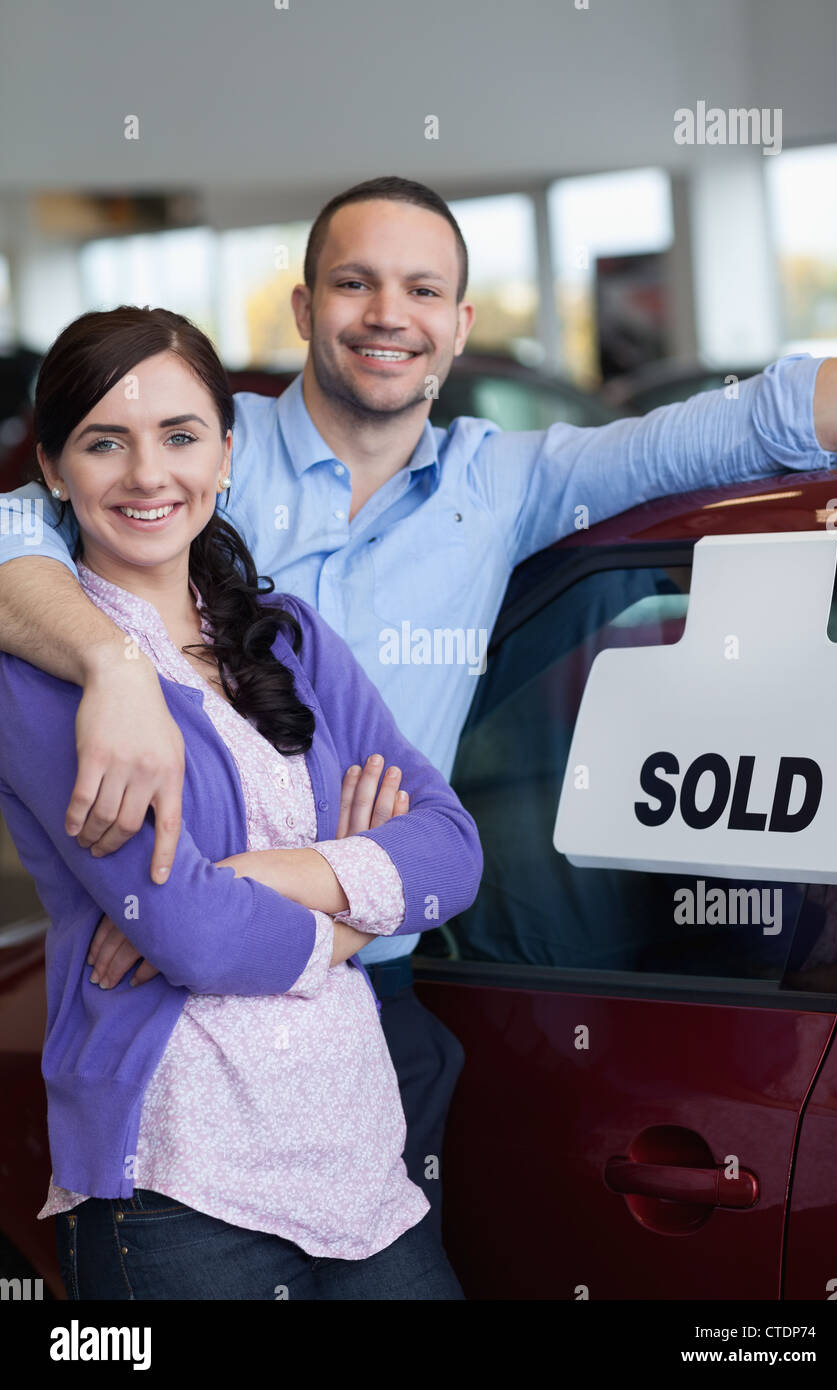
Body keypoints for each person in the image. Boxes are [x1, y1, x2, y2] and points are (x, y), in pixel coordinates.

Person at [0, 175, 837, 1235]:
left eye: (422, 290)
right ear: (304, 307)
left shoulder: (504, 485)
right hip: (179, 1017)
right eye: (353, 282)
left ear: (459, 324)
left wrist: (240, 891)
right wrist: (114, 665)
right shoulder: (193, 447)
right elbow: (15, 525)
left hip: (378, 990)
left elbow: (736, 428)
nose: (387, 315)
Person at [0, 306, 482, 1300]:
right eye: (104, 442)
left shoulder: (286, 634)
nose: (148, 474)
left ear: (225, 454)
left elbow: (453, 849)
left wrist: (259, 875)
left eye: (180, 436)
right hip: (178, 1188)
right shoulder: (38, 677)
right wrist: (361, 906)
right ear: (51, 467)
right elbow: (197, 936)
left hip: (360, 1165)